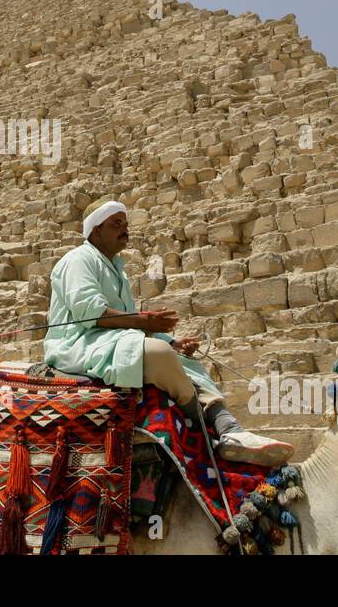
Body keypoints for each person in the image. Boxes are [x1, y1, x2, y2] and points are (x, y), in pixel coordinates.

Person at [44, 200, 293, 466]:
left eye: (126, 224)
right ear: (95, 231)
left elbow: (129, 322)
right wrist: (145, 323)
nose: (125, 230)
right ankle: (201, 421)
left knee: (180, 356)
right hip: (78, 343)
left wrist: (174, 341)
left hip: (109, 339)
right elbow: (90, 313)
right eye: (116, 224)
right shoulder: (77, 260)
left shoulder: (116, 268)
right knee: (157, 352)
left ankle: (228, 427)